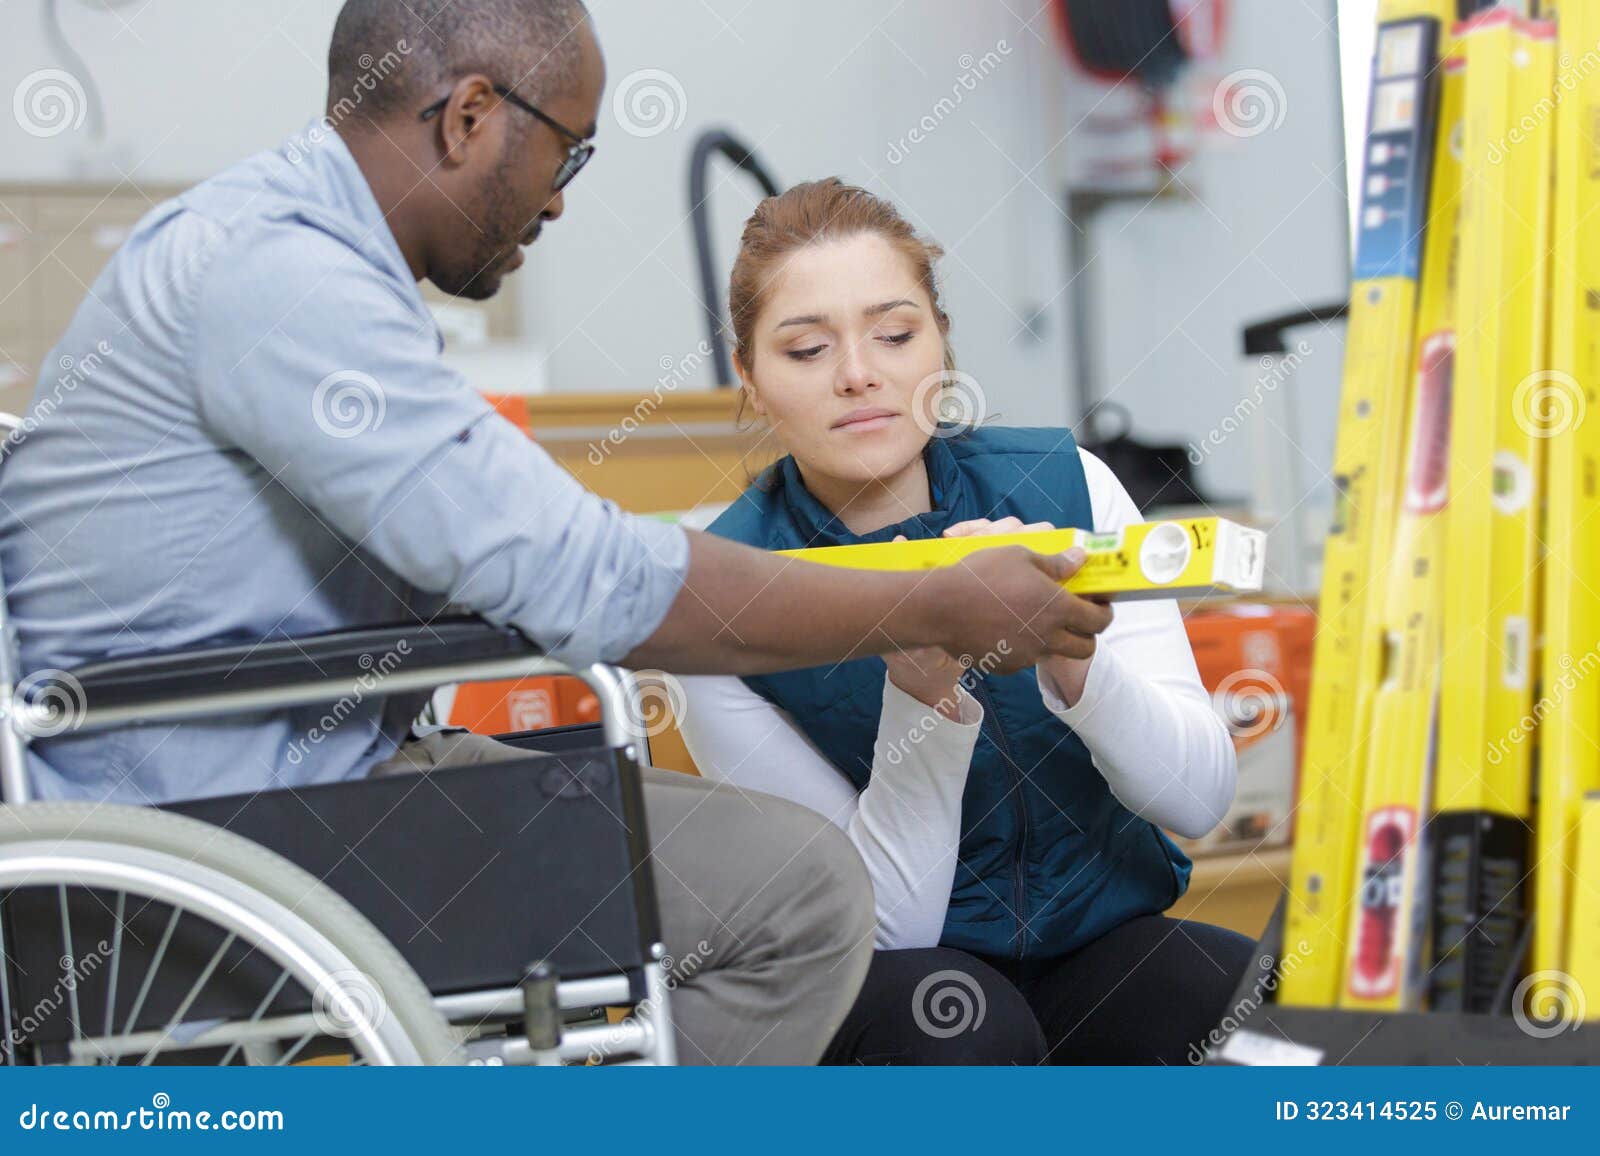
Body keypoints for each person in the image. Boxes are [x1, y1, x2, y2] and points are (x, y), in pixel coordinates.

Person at [0, 3, 1108, 1066]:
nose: (562, 201)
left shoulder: (292, 252)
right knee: (797, 900)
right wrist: (929, 604)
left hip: (293, 769)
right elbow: (582, 581)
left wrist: (624, 559)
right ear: (469, 115)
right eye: (567, 153)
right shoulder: (280, 278)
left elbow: (506, 549)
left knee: (772, 880)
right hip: (211, 835)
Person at [678, 178, 1257, 1065]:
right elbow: (882, 928)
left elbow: (1198, 799)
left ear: (942, 345)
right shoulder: (726, 603)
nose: (859, 374)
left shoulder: (1070, 488)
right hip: (893, 983)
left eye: (896, 334)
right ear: (749, 378)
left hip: (1092, 944)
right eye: (805, 350)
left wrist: (1075, 661)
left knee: (1248, 1001)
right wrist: (922, 699)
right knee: (966, 1024)